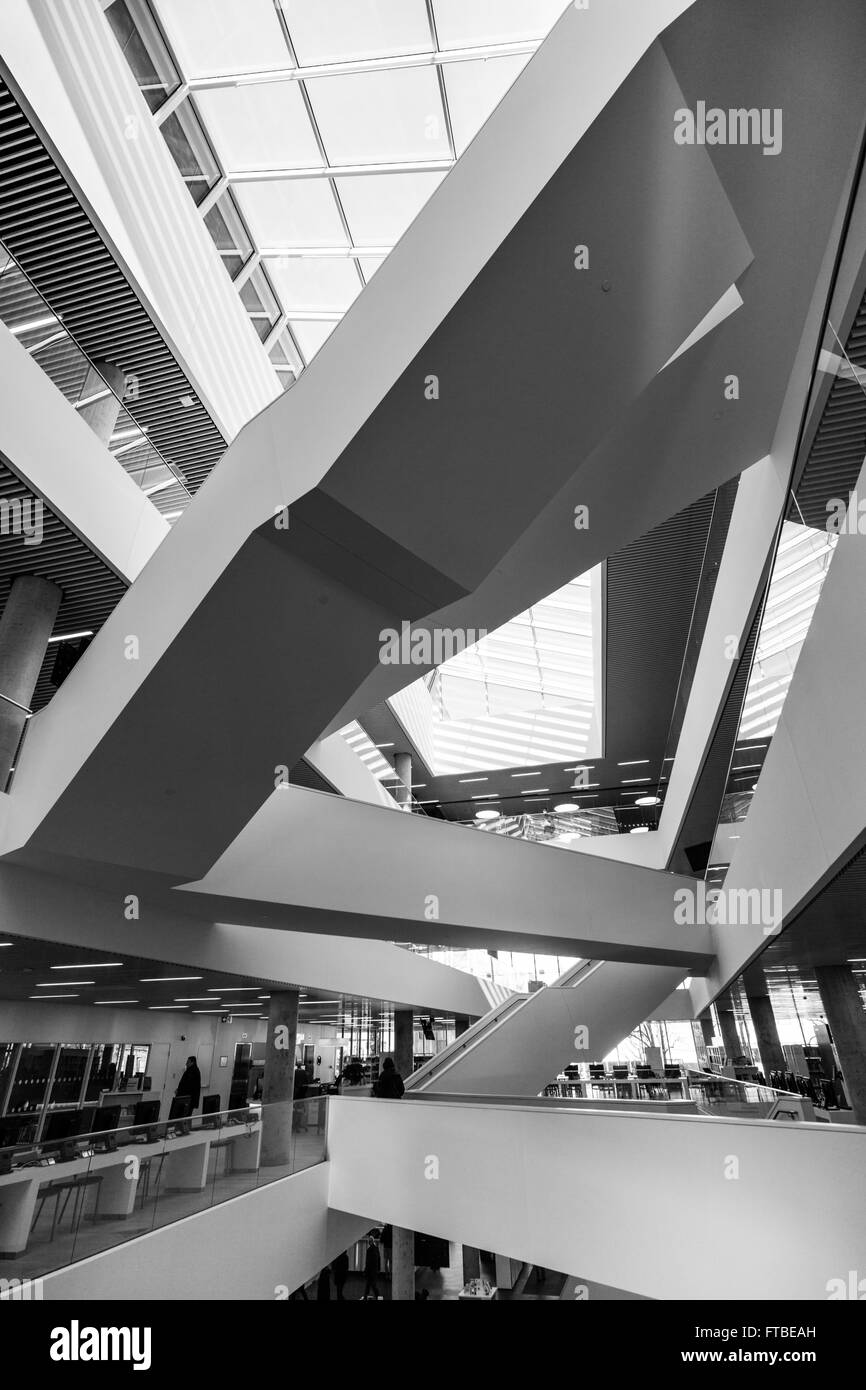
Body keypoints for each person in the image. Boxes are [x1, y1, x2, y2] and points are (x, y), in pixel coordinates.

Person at [362, 1235, 382, 1301]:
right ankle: (369, 1296)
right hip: (375, 1269)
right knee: (372, 1284)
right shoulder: (376, 1248)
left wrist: (365, 1270)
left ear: (369, 1242)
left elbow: (368, 1261)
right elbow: (379, 1259)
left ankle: (368, 1296)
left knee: (370, 1284)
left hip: (370, 1270)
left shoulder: (369, 1250)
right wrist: (379, 1268)